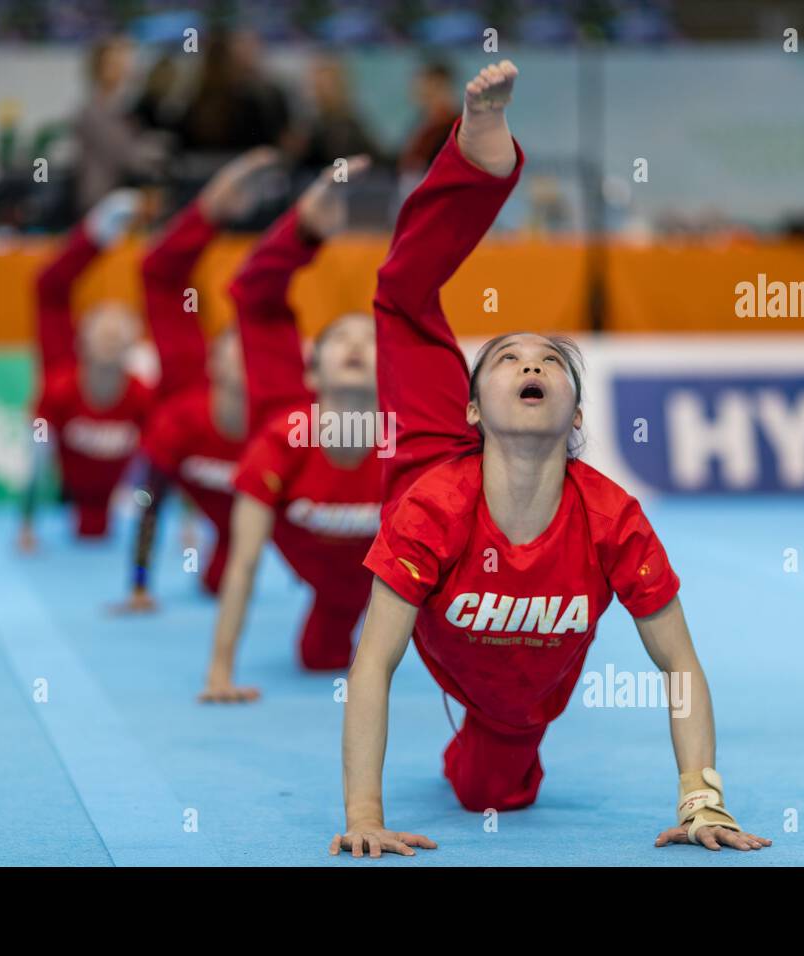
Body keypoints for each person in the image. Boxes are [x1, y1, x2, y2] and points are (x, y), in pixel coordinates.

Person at [331, 61, 771, 858]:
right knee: (400, 294)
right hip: (441, 469)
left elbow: (678, 661)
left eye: (549, 362)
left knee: (492, 791)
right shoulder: (430, 503)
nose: (530, 364)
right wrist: (364, 813)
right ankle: (480, 155)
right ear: (474, 404)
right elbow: (372, 666)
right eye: (506, 358)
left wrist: (703, 799)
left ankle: (486, 744)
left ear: (575, 410)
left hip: (523, 694)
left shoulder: (612, 518)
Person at [200, 156, 384, 701]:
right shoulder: (282, 434)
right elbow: (245, 560)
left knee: (343, 658)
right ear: (312, 368)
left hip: (396, 592)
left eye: (371, 339)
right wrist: (219, 672)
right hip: (326, 578)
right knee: (318, 659)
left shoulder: (416, 440)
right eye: (340, 340)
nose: (355, 346)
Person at [120, 149, 279, 611]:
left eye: (253, 353)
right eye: (235, 352)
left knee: (221, 586)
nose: (245, 361)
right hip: (193, 408)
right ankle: (216, 205)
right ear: (217, 359)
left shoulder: (284, 411)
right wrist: (139, 583)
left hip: (253, 515)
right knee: (156, 274)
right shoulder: (183, 403)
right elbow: (149, 498)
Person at [19, 190, 151, 549]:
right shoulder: (61, 386)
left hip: (114, 486)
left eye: (118, 331)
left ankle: (104, 237)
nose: (110, 332)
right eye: (102, 328)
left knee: (49, 292)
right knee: (48, 291)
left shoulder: (142, 394)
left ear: (133, 345)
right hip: (70, 385)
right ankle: (97, 234)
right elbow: (35, 457)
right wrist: (26, 523)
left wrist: (151, 511)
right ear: (83, 338)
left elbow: (165, 459)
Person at [73, 37, 168, 213]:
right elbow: (127, 156)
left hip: (117, 199)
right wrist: (158, 150)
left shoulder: (121, 109)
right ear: (100, 67)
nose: (125, 67)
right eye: (116, 63)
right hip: (101, 202)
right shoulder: (95, 112)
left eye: (125, 61)